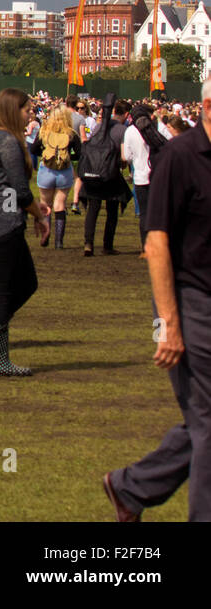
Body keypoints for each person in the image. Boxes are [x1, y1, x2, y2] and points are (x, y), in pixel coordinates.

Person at [104, 79, 211, 522]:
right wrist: (168, 321)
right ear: (207, 106)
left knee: (204, 421)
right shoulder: (181, 158)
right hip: (191, 300)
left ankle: (132, 486)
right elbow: (157, 240)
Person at [0, 88, 50, 377]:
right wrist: (40, 215)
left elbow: (6, 190)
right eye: (28, 110)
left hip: (0, 221)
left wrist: (32, 207)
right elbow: (18, 189)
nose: (31, 114)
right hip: (1, 226)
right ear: (13, 111)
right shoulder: (6, 141)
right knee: (2, 292)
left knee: (26, 283)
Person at [80, 95, 131, 256]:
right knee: (112, 211)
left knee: (93, 210)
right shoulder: (123, 130)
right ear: (126, 114)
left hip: (93, 173)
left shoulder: (98, 127)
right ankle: (107, 245)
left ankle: (88, 243)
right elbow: (124, 157)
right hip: (111, 174)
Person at [30, 104, 81, 250]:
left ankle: (46, 235)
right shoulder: (71, 134)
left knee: (46, 206)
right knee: (60, 205)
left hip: (46, 171)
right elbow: (79, 153)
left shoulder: (44, 131)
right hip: (64, 172)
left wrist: (46, 155)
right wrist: (67, 157)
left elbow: (34, 149)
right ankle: (59, 241)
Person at [125, 102, 166, 256]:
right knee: (161, 212)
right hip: (158, 175)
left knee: (144, 214)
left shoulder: (130, 131)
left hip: (141, 176)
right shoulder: (158, 128)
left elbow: (127, 157)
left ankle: (145, 247)